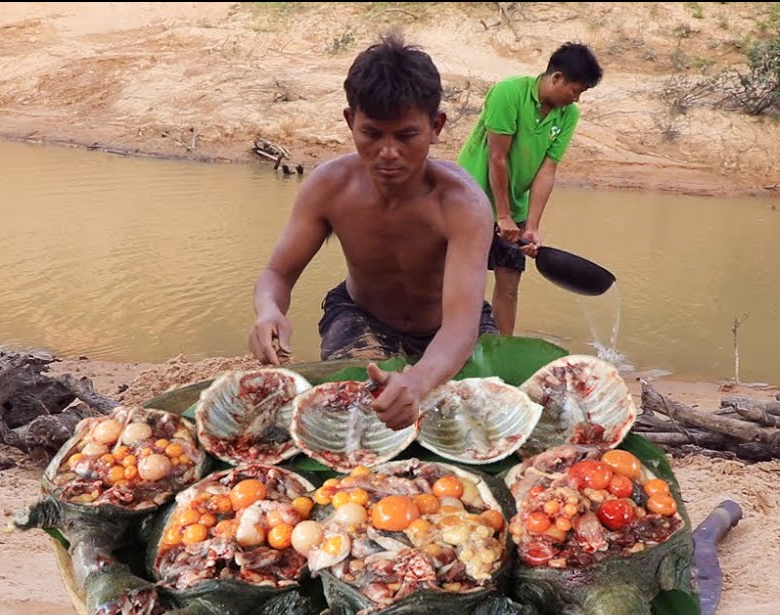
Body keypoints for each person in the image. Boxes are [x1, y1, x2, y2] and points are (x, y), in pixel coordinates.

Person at [247, 33, 498, 431]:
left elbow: (460, 324)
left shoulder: (463, 204)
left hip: (449, 327)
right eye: (372, 133)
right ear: (350, 122)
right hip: (362, 316)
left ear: (436, 126)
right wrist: (269, 311)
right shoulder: (329, 187)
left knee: (471, 422)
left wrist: (418, 380)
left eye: (405, 135)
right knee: (355, 419)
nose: (388, 152)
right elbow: (277, 273)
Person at [456, 42, 603, 336]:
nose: (576, 99)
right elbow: (497, 159)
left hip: (515, 205)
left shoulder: (567, 115)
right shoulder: (508, 93)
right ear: (556, 77)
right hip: (469, 198)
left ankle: (502, 351)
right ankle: (452, 348)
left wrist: (531, 226)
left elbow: (547, 169)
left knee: (509, 284)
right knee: (465, 282)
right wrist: (502, 216)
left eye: (581, 94)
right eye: (575, 90)